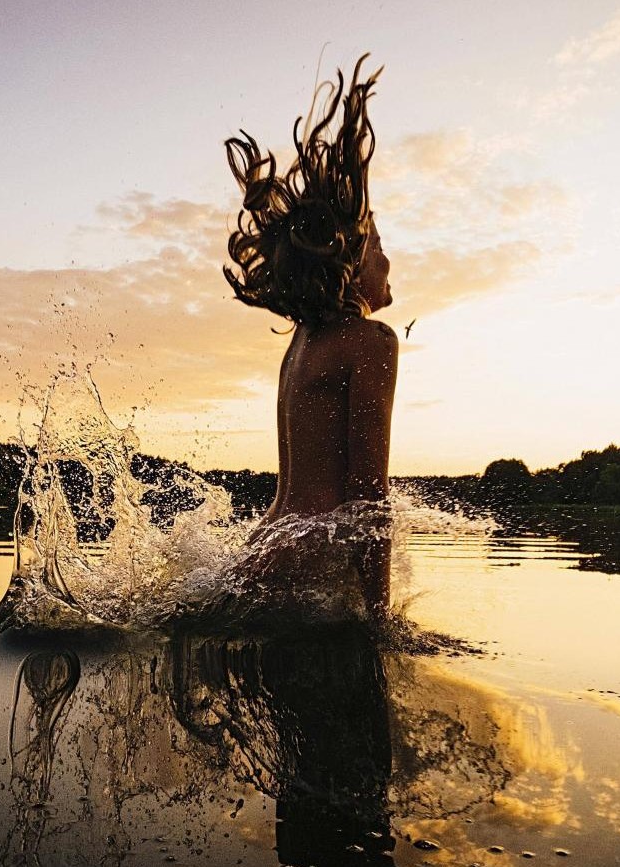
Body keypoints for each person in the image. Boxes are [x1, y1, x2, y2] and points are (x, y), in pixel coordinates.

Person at [223, 57, 397, 620]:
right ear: (346, 260)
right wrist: (382, 621)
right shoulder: (370, 340)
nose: (388, 258)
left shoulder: (302, 342)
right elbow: (369, 498)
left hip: (268, 547)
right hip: (304, 562)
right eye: (376, 247)